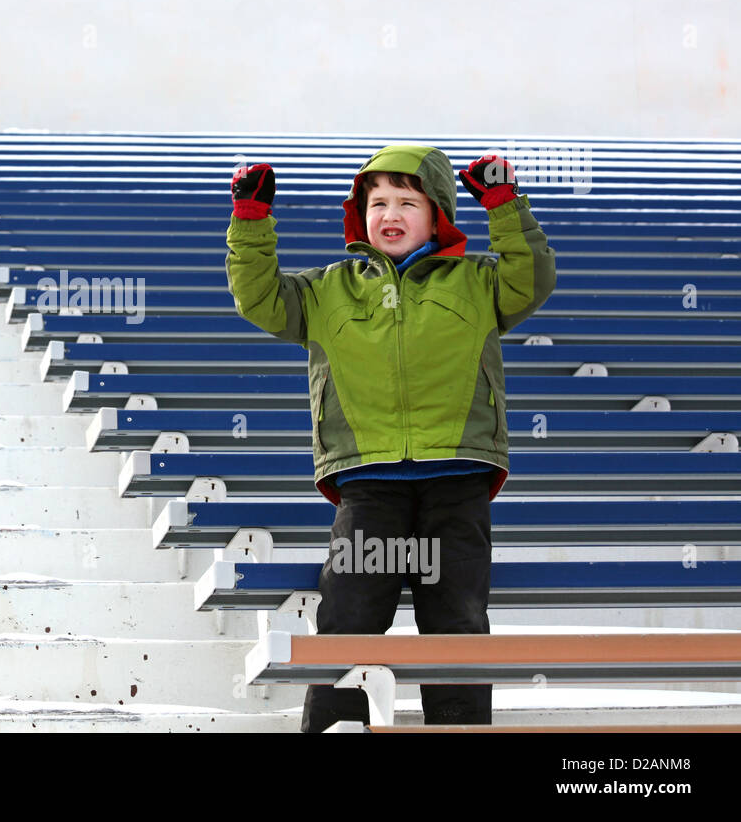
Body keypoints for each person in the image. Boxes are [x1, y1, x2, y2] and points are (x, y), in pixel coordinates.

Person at [225, 144, 556, 731]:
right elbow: (260, 299)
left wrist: (504, 204)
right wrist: (251, 222)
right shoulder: (330, 290)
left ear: (438, 217)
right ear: (361, 215)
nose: (390, 213)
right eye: (377, 202)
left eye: (408, 201)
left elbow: (531, 279)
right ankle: (336, 725)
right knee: (349, 609)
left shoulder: (477, 283)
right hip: (369, 483)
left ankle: (457, 727)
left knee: (455, 618)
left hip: (457, 476)